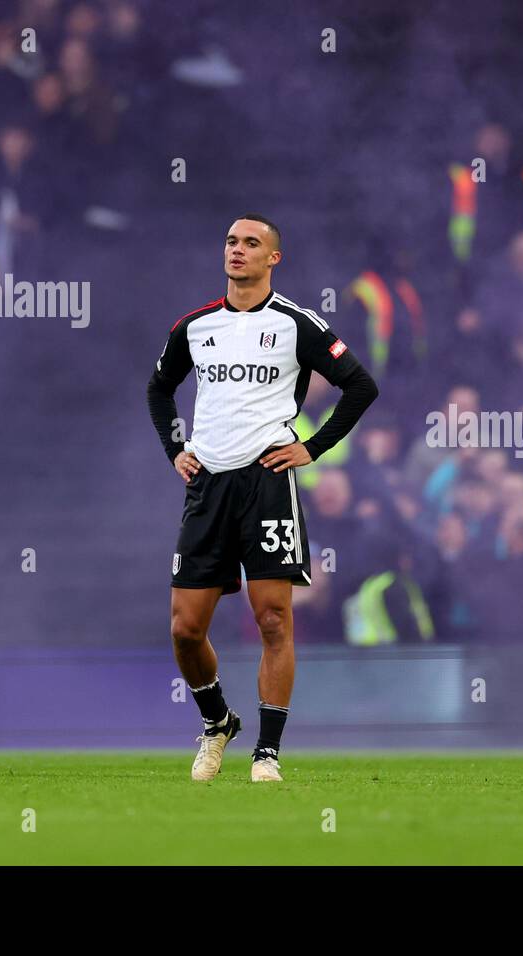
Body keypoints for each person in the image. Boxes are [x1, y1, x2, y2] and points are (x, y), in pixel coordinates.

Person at [146, 215, 378, 782]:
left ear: (274, 258)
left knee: (273, 618)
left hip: (268, 480)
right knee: (184, 628)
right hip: (209, 485)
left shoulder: (297, 323)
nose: (238, 250)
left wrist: (313, 448)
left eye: (252, 243)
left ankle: (267, 753)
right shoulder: (196, 327)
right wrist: (176, 448)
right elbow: (159, 387)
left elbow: (360, 385)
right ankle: (218, 721)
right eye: (231, 241)